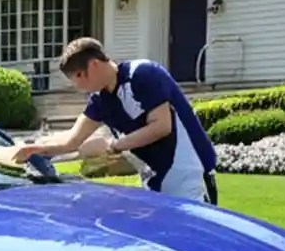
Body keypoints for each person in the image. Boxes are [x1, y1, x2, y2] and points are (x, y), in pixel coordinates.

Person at [12, 37, 218, 205]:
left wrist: (113, 145)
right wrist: (35, 148)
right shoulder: (100, 100)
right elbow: (71, 140)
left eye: (79, 76)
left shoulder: (143, 74)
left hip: (190, 177)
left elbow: (161, 126)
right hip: (156, 182)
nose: (78, 86)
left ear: (93, 65)